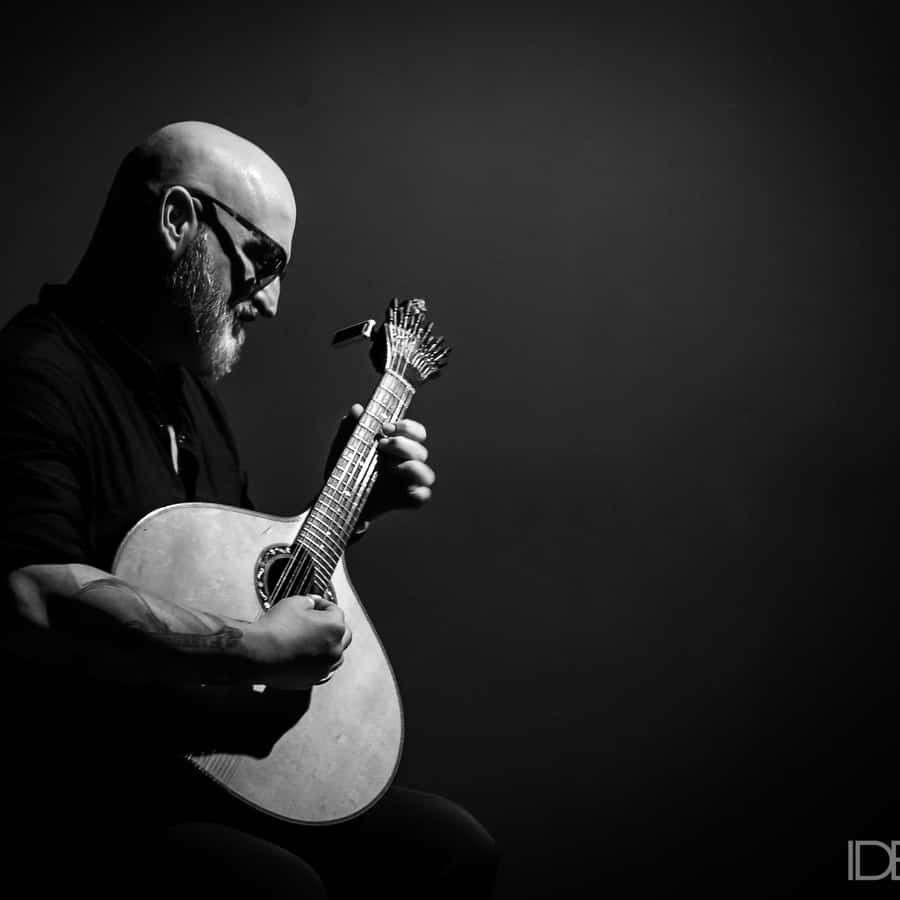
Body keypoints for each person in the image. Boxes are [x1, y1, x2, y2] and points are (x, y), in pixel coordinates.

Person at [0, 122, 497, 898]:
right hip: (94, 793)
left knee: (448, 847)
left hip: (211, 764)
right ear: (177, 222)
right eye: (263, 260)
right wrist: (255, 652)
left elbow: (232, 579)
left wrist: (350, 507)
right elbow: (26, 594)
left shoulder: (188, 396)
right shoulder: (37, 376)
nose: (270, 301)